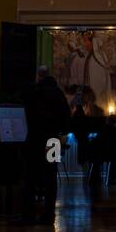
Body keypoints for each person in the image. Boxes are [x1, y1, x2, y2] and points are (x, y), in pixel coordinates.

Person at [21, 65, 72, 223]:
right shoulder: (58, 93)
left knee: (30, 175)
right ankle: (49, 214)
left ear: (38, 76)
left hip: (36, 139)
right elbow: (66, 120)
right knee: (50, 176)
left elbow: (28, 116)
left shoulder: (35, 93)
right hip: (53, 140)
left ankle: (28, 214)